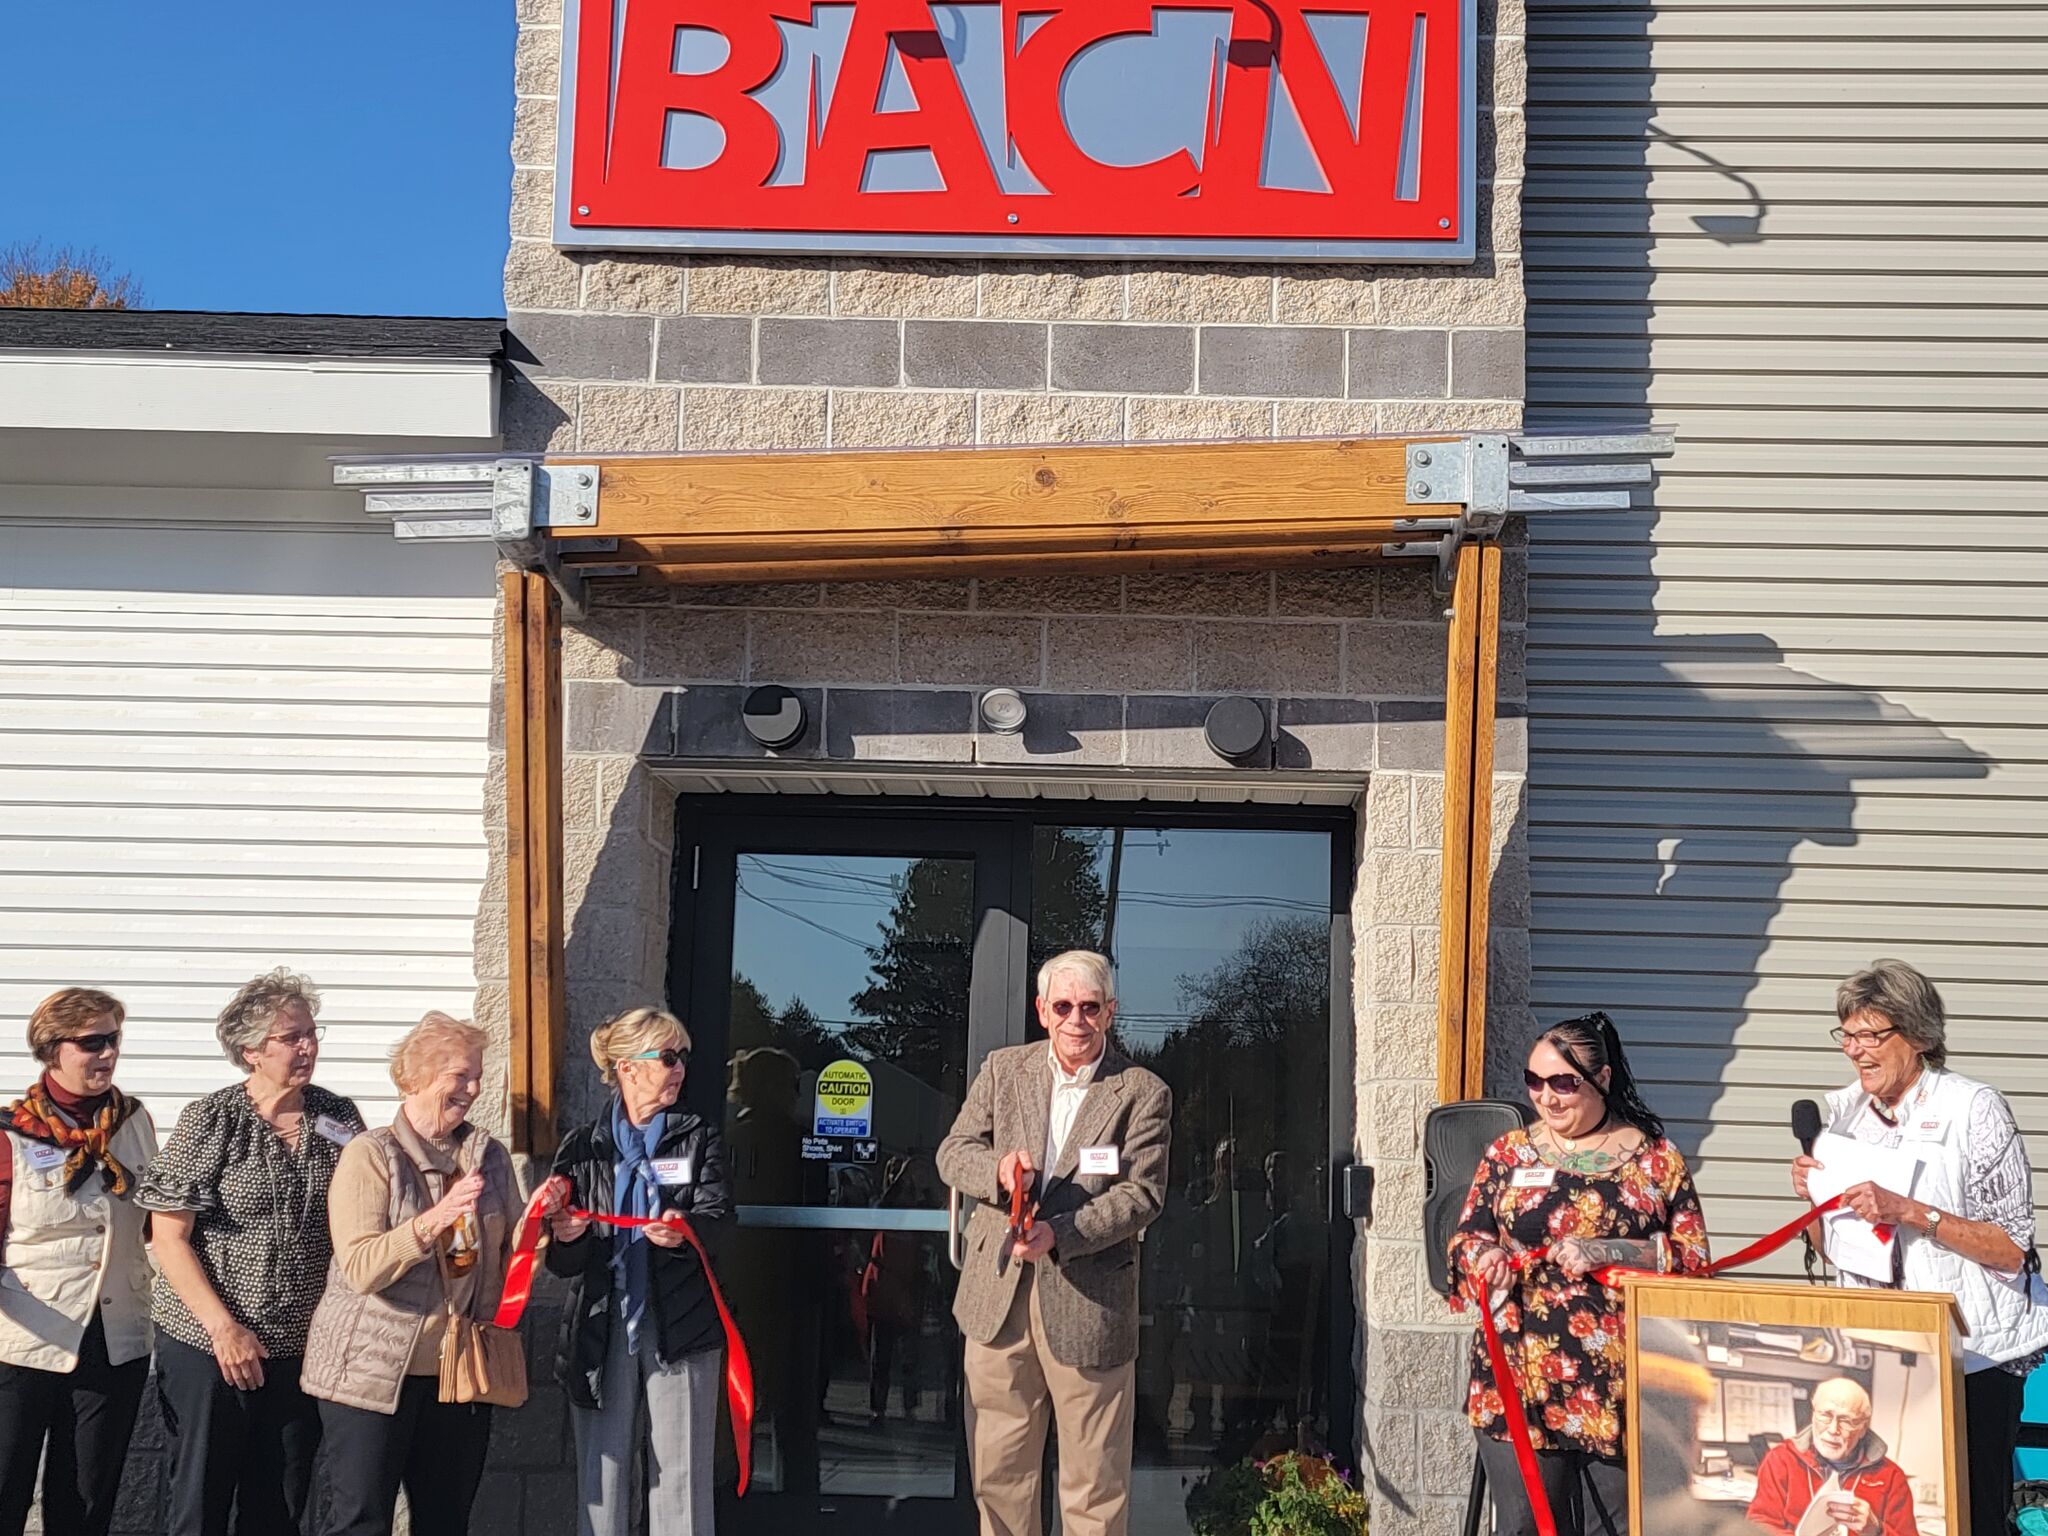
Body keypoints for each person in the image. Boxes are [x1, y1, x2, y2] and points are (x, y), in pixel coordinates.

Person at [1789, 960, 2048, 1536]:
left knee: (1970, 1516)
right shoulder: (1844, 1118)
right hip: (1880, 1353)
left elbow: (2011, 1250)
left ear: (1919, 1036)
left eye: (1870, 1035)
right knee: (1890, 1517)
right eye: (1846, 1035)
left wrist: (1910, 1211)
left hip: (1972, 1357)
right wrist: (1815, 1203)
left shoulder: (1975, 1110)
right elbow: (1834, 1251)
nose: (1854, 1051)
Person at [936, 948, 1172, 1536]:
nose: (1076, 1020)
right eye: (1063, 1006)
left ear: (1110, 1011)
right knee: (999, 1475)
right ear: (1042, 1010)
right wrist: (997, 1172)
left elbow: (1142, 1194)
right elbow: (953, 1152)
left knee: (1094, 1486)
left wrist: (1060, 1234)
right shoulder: (1003, 1070)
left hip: (1090, 1304)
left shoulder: (1142, 1092)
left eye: (1089, 1007)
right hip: (998, 1299)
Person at [1451, 1011, 1711, 1536]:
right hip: (1521, 1374)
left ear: (1603, 1079)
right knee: (1525, 1525)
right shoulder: (1508, 1153)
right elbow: (1466, 1238)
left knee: (1610, 1528)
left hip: (1620, 1382)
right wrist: (1484, 1258)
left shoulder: (1657, 1160)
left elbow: (1694, 1262)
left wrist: (1608, 1250)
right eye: (1534, 1081)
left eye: (1563, 1083)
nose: (1546, 1097)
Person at [138, 969, 365, 1536]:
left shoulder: (338, 1117)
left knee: (280, 1503)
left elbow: (364, 1214)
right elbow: (168, 1237)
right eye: (291, 1038)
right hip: (208, 1344)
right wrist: (224, 1330)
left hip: (299, 1346)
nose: (307, 1047)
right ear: (251, 1051)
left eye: (311, 1033)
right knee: (201, 1500)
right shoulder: (211, 1119)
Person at [301, 1012, 521, 1536]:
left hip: (459, 1372)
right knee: (362, 1523)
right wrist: (432, 1222)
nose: (473, 1089)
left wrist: (557, 1229)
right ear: (415, 1078)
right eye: (459, 1076)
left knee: (446, 1522)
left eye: (477, 1076)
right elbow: (361, 1267)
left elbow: (514, 1250)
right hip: (369, 1375)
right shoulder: (370, 1154)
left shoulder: (488, 1157)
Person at [547, 1007, 733, 1536]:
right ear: (627, 1067)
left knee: (681, 1479)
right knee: (602, 1478)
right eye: (668, 1057)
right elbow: (561, 1263)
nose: (680, 1069)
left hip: (680, 1323)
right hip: (602, 1322)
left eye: (683, 1057)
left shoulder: (699, 1136)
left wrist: (684, 1233)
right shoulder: (582, 1146)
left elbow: (721, 1223)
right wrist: (568, 1237)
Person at [0, 989, 158, 1536]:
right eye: (93, 1042)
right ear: (52, 1049)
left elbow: (153, 1222)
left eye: (114, 1039)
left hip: (115, 1338)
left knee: (87, 1502)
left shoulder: (134, 1121)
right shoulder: (11, 1132)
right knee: (5, 1489)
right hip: (25, 1338)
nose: (108, 1053)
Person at [1747, 1378, 1919, 1536]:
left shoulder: (1891, 1477)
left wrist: (1876, 1531)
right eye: (1825, 1415)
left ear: (1863, 1428)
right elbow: (1759, 1527)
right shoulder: (1781, 1460)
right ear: (1813, 1415)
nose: (1833, 1429)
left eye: (1846, 1421)